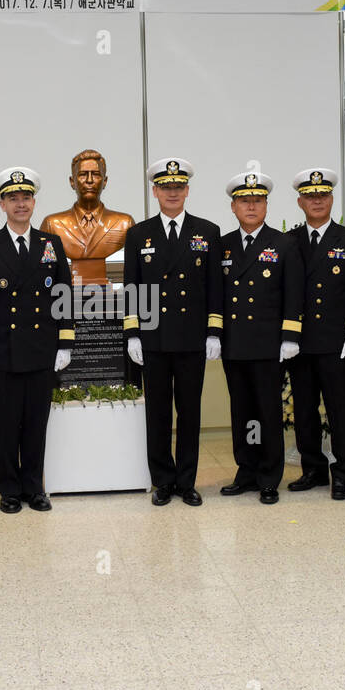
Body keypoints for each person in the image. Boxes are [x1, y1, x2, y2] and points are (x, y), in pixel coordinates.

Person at [0, 167, 73, 514]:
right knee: (7, 425)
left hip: (41, 352)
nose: (21, 204)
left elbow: (63, 295)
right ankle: (9, 489)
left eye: (26, 197)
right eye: (13, 198)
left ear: (34, 202)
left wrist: (65, 343)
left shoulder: (50, 244)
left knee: (37, 424)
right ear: (2, 204)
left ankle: (34, 487)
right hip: (1, 354)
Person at [123, 158, 222, 507]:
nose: (172, 193)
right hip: (154, 339)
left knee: (190, 412)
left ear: (187, 191)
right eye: (166, 188)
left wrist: (213, 331)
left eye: (178, 187)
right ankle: (162, 481)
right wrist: (133, 333)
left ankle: (187, 481)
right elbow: (132, 286)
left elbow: (214, 287)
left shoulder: (208, 232)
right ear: (155, 192)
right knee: (159, 414)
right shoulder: (138, 234)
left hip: (193, 338)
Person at [217, 171, 303, 504]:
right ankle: (247, 470)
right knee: (243, 411)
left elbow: (293, 294)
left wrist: (290, 336)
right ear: (233, 207)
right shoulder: (222, 245)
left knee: (268, 411)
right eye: (244, 201)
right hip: (234, 344)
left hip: (269, 345)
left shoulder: (283, 244)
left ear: (266, 204)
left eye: (257, 200)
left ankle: (269, 475)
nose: (251, 206)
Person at [284, 168, 345, 500]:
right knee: (304, 409)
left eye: (323, 195)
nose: (317, 201)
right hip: (300, 343)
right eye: (310, 196)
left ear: (331, 199)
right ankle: (313, 469)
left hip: (337, 343)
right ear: (301, 201)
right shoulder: (288, 240)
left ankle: (343, 473)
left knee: (341, 410)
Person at [38, 148, 135, 285]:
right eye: (83, 174)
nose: (89, 180)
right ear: (72, 181)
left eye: (95, 174)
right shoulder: (53, 224)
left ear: (105, 181)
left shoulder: (124, 223)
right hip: (67, 300)